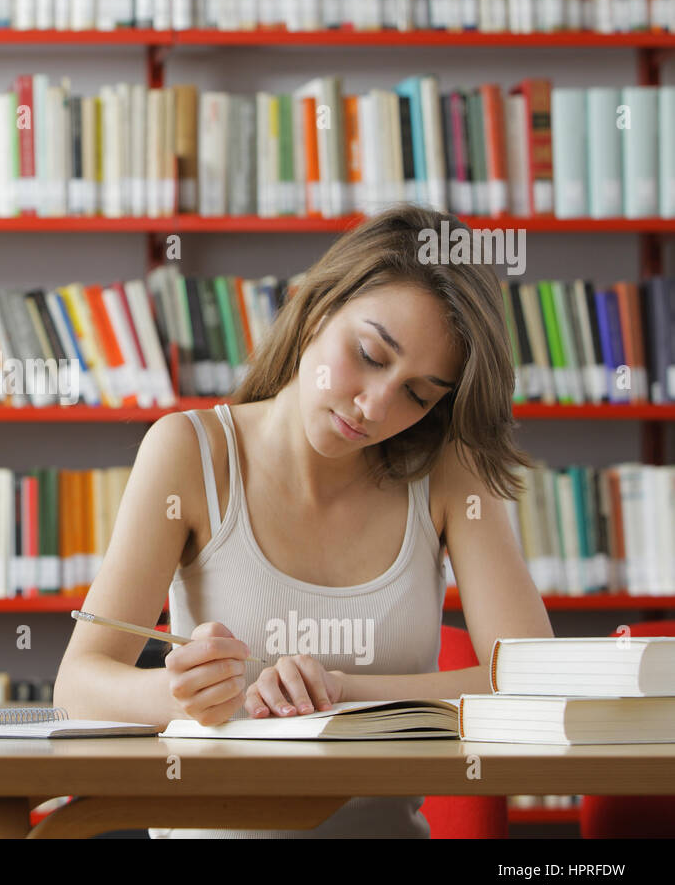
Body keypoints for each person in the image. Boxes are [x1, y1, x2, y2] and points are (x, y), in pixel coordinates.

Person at [53, 204, 555, 838]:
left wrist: (340, 692)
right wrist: (189, 697)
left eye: (418, 394)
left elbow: (535, 683)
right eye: (371, 354)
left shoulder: (448, 471)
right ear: (319, 306)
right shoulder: (191, 452)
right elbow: (76, 687)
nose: (374, 406)